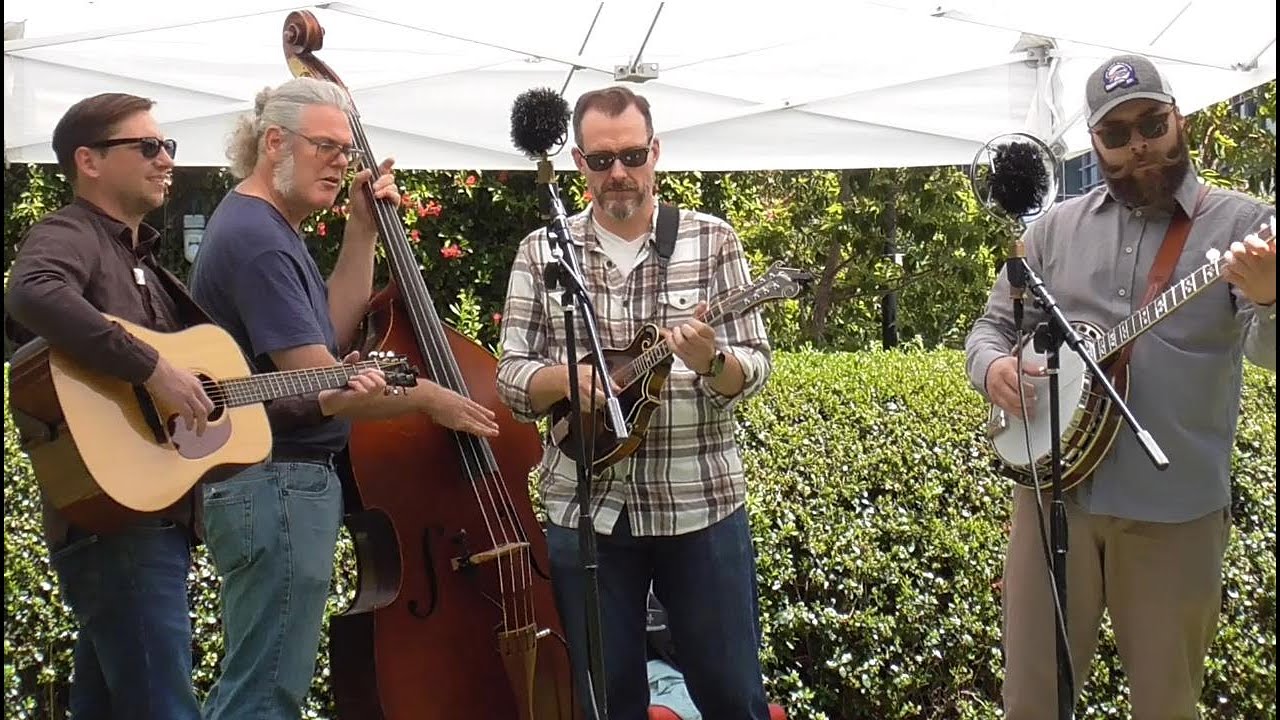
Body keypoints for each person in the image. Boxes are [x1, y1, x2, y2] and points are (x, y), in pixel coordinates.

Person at [3, 93, 384, 719]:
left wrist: (326, 391)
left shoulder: (143, 260)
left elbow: (222, 391)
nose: (165, 160)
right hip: (118, 516)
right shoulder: (68, 234)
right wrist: (152, 367)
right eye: (146, 146)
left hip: (148, 508)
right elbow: (33, 292)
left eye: (168, 146)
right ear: (88, 161)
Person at [965, 54, 1276, 719]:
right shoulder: (1053, 229)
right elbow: (990, 328)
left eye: (1152, 123)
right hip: (1052, 500)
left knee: (1166, 704)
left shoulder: (1244, 226)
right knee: (1032, 703)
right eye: (1116, 133)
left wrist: (1271, 300)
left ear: (1177, 121)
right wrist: (992, 370)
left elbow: (1269, 354)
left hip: (1173, 514)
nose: (1139, 144)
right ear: (1096, 145)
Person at [187, 76, 501, 719]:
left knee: (267, 681)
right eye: (326, 146)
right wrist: (431, 398)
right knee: (265, 690)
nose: (341, 161)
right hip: (275, 483)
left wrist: (361, 229)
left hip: (276, 486)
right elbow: (325, 385)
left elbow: (326, 336)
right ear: (274, 142)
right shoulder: (258, 240)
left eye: (345, 151)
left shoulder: (268, 226)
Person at [497, 85, 774, 720]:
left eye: (631, 155)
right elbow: (511, 377)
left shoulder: (712, 241)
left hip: (700, 504)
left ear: (656, 152)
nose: (618, 172)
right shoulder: (544, 252)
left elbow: (754, 369)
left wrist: (711, 360)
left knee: (733, 695)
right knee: (606, 702)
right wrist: (567, 381)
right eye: (601, 160)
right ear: (577, 163)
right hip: (586, 510)